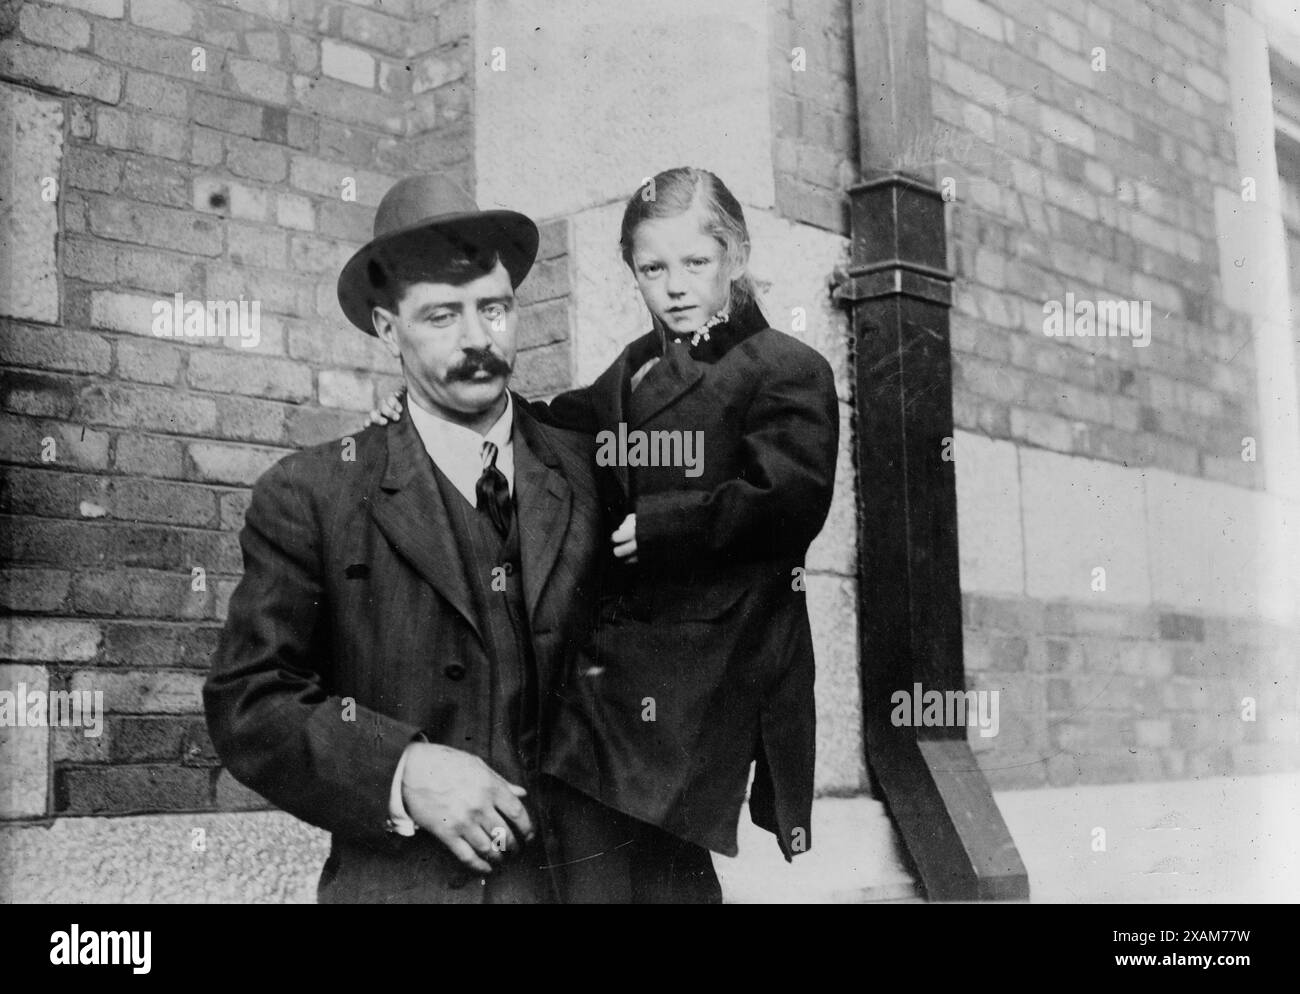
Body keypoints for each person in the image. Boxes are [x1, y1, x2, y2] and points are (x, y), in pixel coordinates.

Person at [369, 167, 840, 902]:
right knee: (621, 848)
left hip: (712, 654)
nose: (675, 286)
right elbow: (558, 422)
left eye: (696, 263)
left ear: (736, 258)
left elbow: (792, 499)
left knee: (622, 832)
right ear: (633, 274)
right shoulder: (635, 371)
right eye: (653, 268)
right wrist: (431, 419)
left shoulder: (783, 368)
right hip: (625, 662)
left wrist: (669, 527)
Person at [203, 174, 605, 903]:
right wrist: (402, 771)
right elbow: (250, 701)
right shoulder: (314, 495)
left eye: (494, 308)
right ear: (388, 330)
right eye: (442, 317)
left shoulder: (594, 466)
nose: (480, 339)